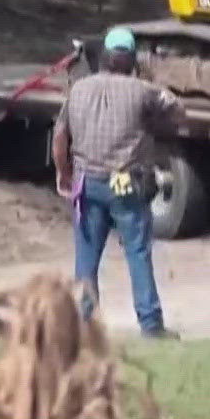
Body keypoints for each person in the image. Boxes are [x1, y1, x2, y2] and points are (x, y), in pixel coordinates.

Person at [51, 25, 185, 340]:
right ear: (131, 61)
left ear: (105, 58)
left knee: (86, 258)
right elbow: (178, 112)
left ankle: (84, 326)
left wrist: (64, 173)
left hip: (88, 182)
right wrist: (157, 119)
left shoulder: (78, 89)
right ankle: (150, 324)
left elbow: (60, 136)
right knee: (137, 252)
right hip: (126, 182)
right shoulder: (143, 91)